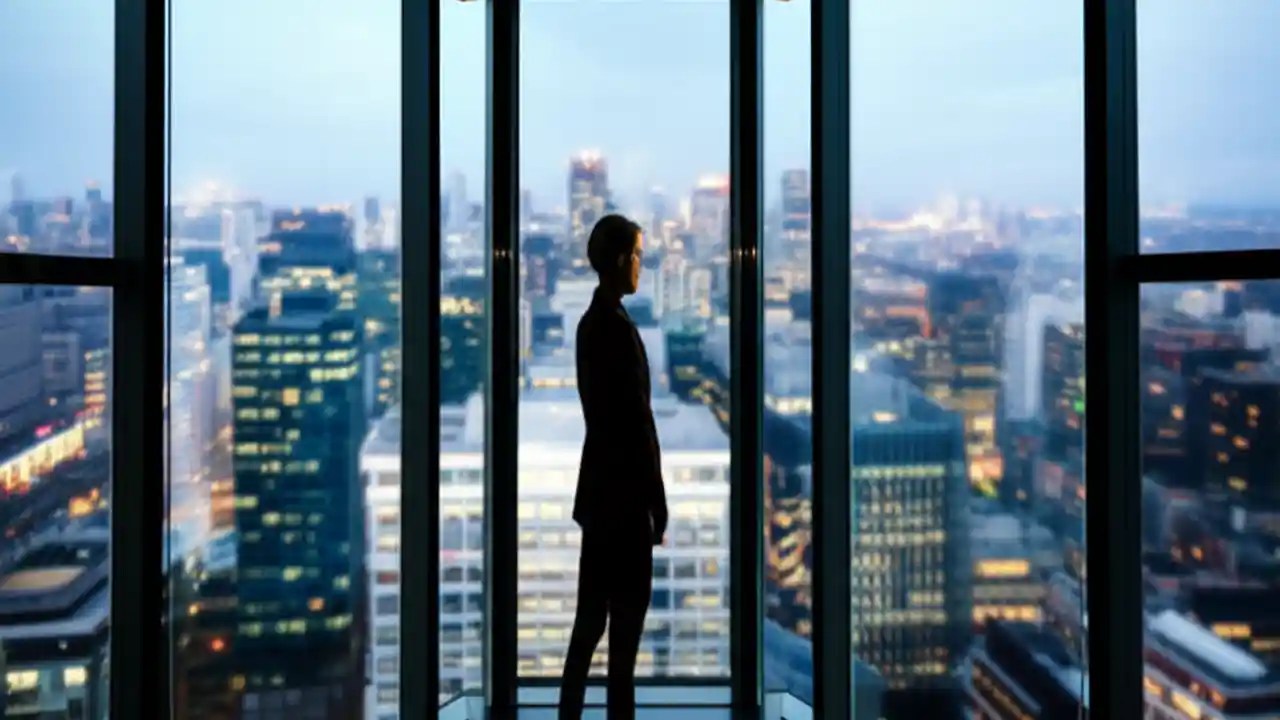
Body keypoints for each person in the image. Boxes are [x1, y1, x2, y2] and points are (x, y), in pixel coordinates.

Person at [559, 214, 668, 720]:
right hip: (625, 502)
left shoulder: (590, 324)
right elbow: (637, 423)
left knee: (589, 624)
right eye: (639, 256)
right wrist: (656, 499)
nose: (641, 266)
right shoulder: (617, 331)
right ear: (623, 260)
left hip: (600, 493)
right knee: (623, 637)